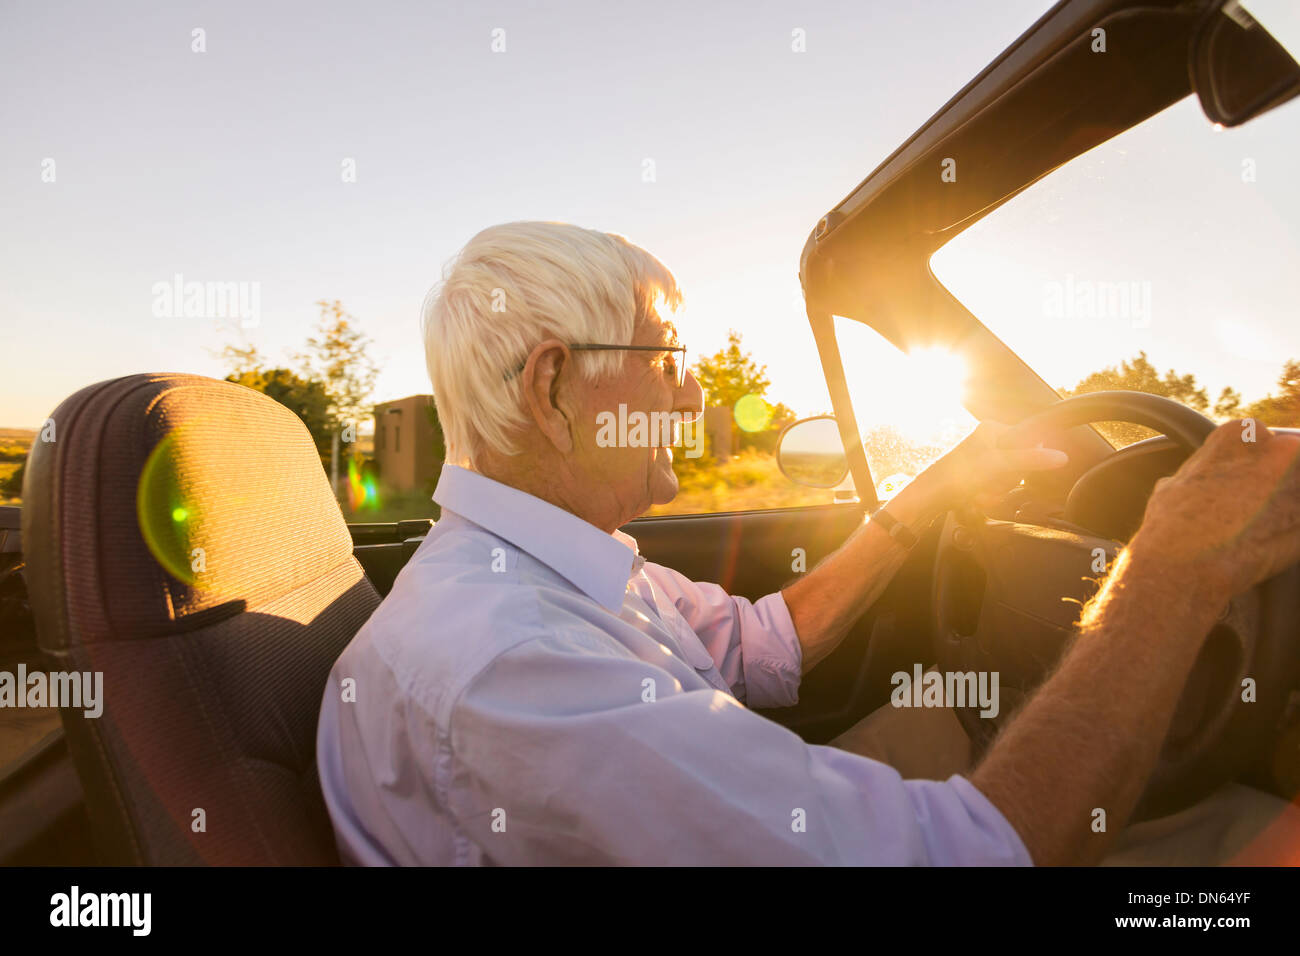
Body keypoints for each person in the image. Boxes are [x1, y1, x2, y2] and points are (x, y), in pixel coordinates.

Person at [316, 221, 1300, 865]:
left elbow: (756, 643)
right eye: (667, 357)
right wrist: (1172, 564)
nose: (695, 391)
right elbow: (968, 857)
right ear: (552, 384)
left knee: (948, 718)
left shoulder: (544, 568)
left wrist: (930, 493)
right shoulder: (517, 662)